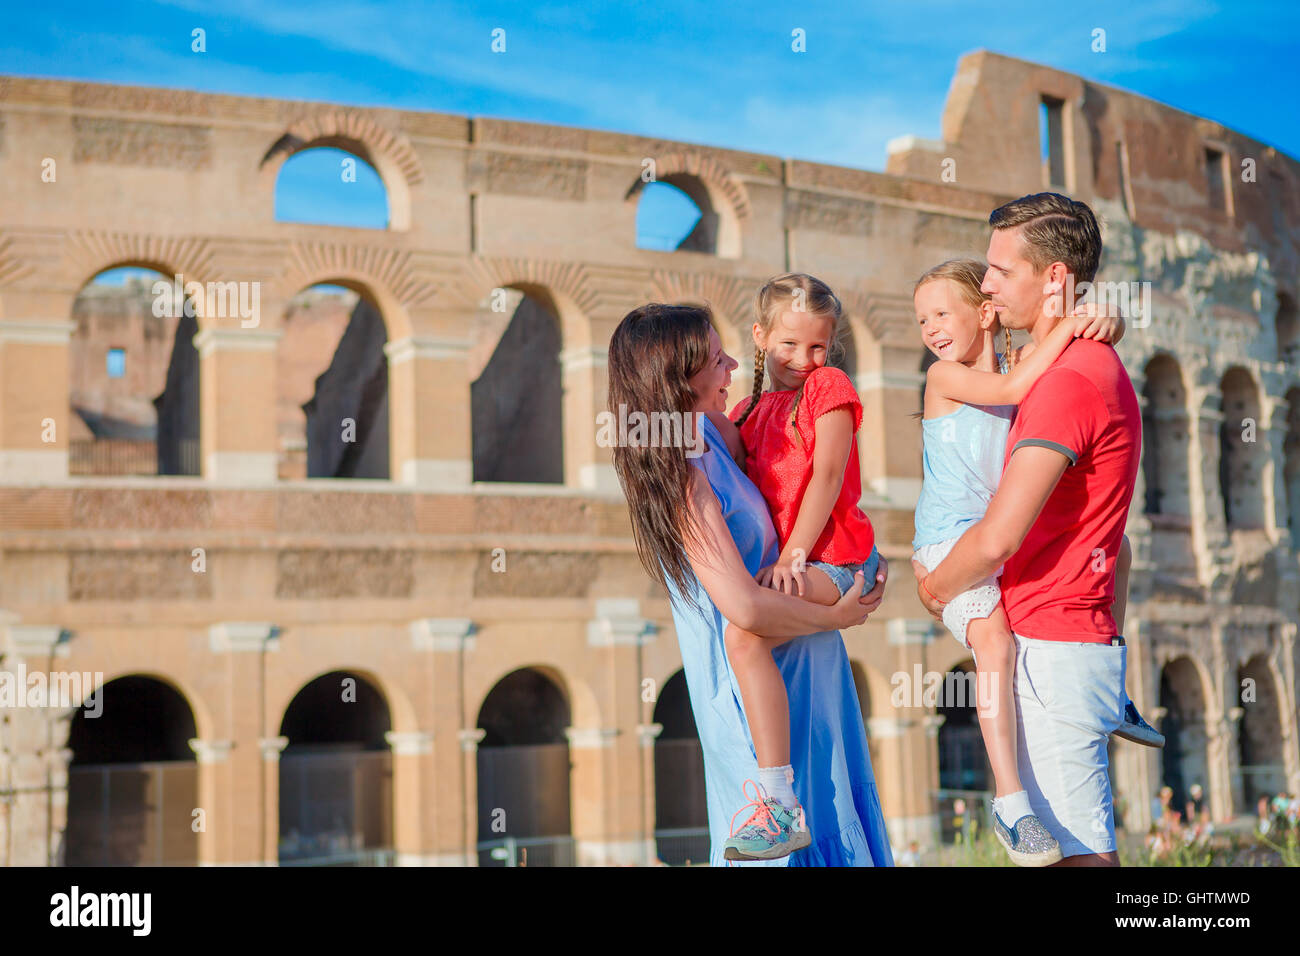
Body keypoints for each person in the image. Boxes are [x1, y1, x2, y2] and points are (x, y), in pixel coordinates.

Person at [607, 302, 894, 867]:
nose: (735, 365)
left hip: (808, 667)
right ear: (676, 381)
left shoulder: (719, 430)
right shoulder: (680, 479)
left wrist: (855, 555)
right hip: (753, 693)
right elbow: (744, 608)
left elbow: (805, 486)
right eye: (717, 361)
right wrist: (840, 613)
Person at [914, 193, 1141, 866]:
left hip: (1054, 642)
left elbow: (997, 540)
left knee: (1079, 858)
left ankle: (1006, 802)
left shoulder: (1067, 380)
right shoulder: (1075, 365)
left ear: (1054, 281)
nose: (986, 284)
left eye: (999, 271)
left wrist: (935, 592)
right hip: (1070, 635)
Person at [700, 273, 882, 861]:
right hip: (800, 561)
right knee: (747, 636)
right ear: (758, 337)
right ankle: (779, 796)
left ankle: (779, 801)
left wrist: (792, 554)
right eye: (789, 346)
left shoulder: (827, 388)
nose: (804, 360)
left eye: (817, 346)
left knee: (744, 632)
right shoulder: (750, 408)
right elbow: (706, 434)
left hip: (832, 556)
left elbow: (827, 475)